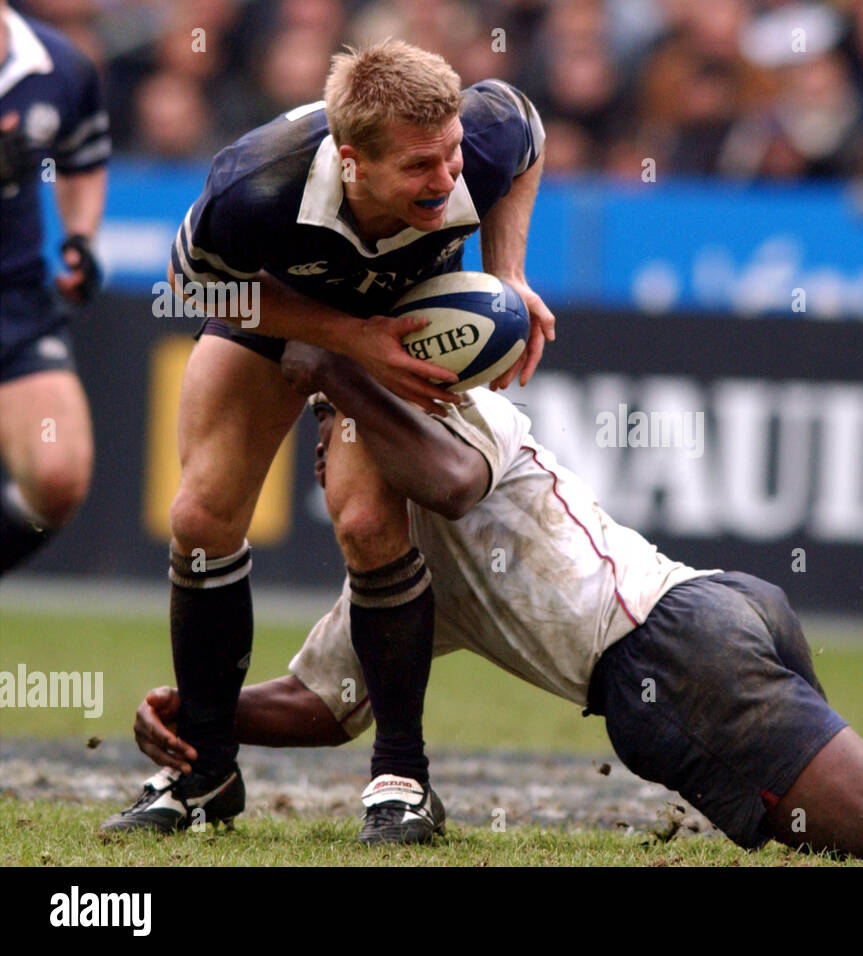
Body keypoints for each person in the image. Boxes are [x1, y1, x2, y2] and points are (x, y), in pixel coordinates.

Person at [109, 339, 863, 867]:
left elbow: (448, 472)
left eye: (333, 454)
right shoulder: (403, 587)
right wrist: (207, 708)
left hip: (672, 657)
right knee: (855, 815)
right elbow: (329, 702)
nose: (328, 475)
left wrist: (325, 363)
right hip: (720, 608)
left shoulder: (457, 427)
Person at [102, 38, 555, 845]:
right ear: (351, 162)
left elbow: (525, 127)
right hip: (279, 309)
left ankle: (402, 779)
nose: (447, 179)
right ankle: (205, 771)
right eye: (421, 166)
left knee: (367, 522)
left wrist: (508, 273)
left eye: (452, 155)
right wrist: (345, 336)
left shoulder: (475, 142)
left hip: (404, 313)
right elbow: (188, 285)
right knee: (201, 520)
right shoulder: (255, 184)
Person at [0, 1, 109, 576]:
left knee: (57, 477)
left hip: (15, 300)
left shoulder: (61, 66)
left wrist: (80, 238)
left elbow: (82, 158)